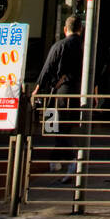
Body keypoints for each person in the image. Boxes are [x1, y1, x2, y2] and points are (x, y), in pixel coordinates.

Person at [31, 15, 83, 183]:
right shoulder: (85, 47)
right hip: (79, 91)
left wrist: (37, 89)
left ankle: (71, 159)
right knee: (65, 127)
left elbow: (47, 68)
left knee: (57, 126)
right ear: (80, 29)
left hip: (61, 91)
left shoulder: (59, 46)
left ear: (65, 29)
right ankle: (55, 159)